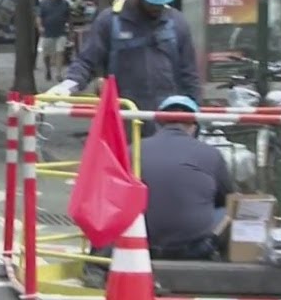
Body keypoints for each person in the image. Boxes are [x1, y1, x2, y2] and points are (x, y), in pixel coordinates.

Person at [79, 95, 234, 287]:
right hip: (191, 248)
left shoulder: (132, 149)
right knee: (231, 211)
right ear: (194, 127)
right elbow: (227, 197)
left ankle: (98, 264)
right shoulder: (211, 154)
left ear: (158, 125)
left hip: (137, 243)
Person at [47, 0, 199, 137]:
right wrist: (67, 86)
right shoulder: (110, 21)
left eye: (160, 2)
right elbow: (87, 61)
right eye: (152, 2)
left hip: (166, 121)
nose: (157, 7)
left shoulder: (177, 24)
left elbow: (189, 75)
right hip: (124, 120)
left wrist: (195, 117)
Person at [37, 0, 73, 83]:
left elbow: (69, 17)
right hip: (47, 32)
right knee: (46, 54)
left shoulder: (64, 3)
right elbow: (39, 16)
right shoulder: (44, 3)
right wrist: (40, 27)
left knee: (59, 52)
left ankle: (58, 73)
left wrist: (70, 30)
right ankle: (48, 69)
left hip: (60, 32)